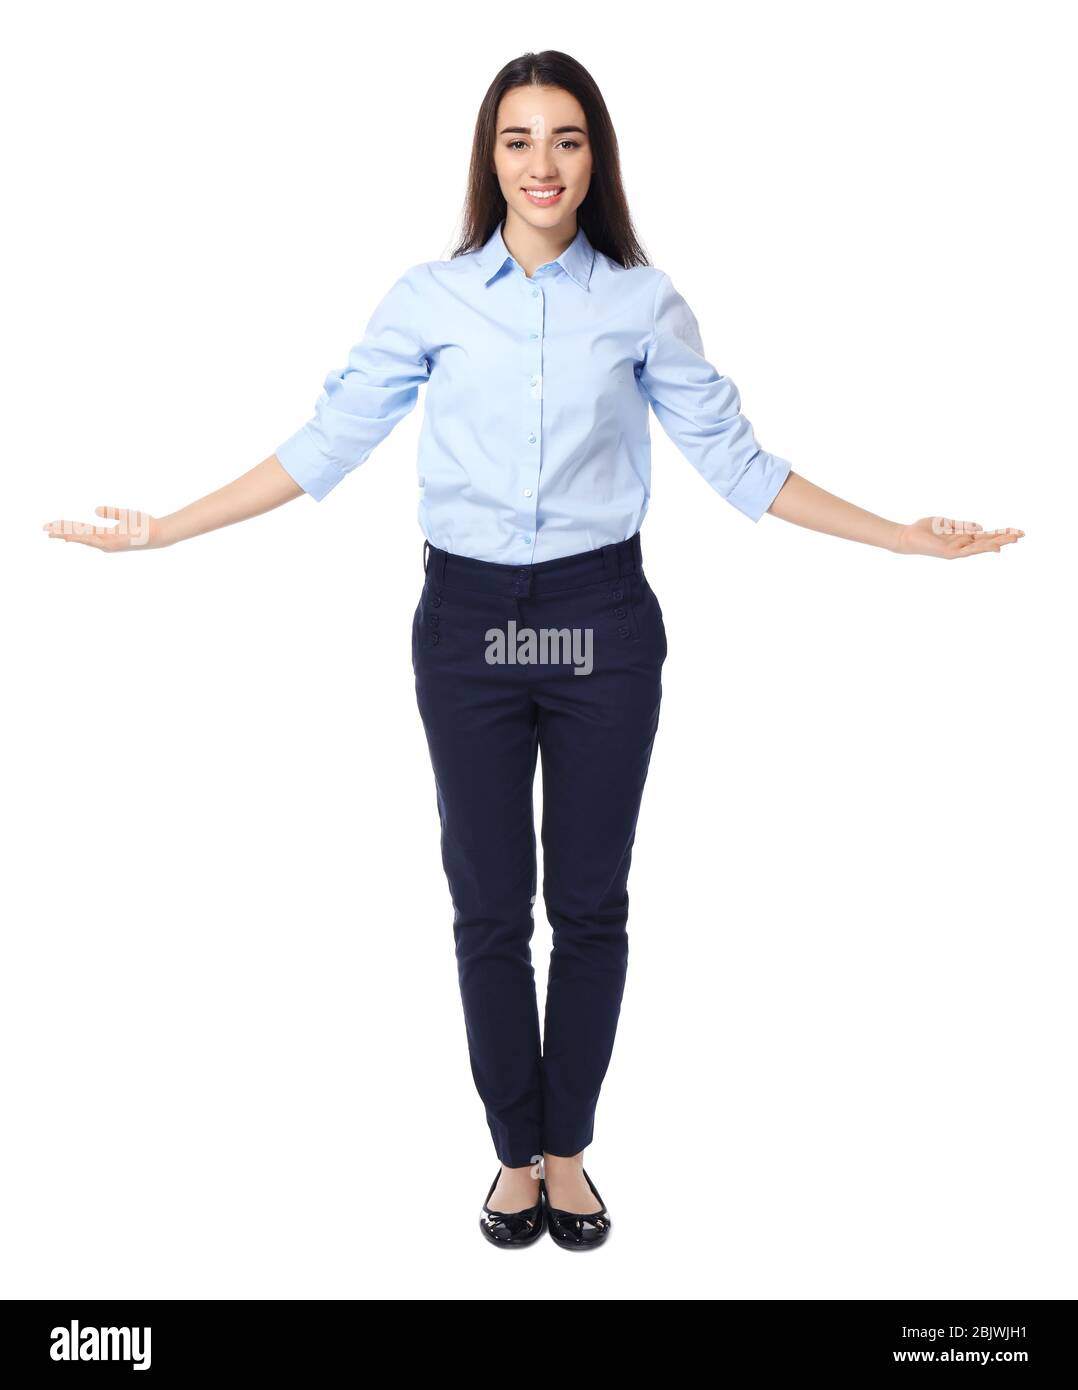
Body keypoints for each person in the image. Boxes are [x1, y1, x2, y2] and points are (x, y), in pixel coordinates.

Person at [42, 50, 1024, 1251]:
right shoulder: (428, 298)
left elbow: (740, 466)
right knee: (489, 903)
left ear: (594, 155)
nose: (542, 163)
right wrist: (161, 530)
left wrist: (900, 538)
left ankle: (571, 1150)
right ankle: (515, 1152)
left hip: (601, 624)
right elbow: (322, 444)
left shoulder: (644, 302)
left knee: (593, 903)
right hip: (467, 628)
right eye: (517, 139)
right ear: (488, 155)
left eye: (565, 138)